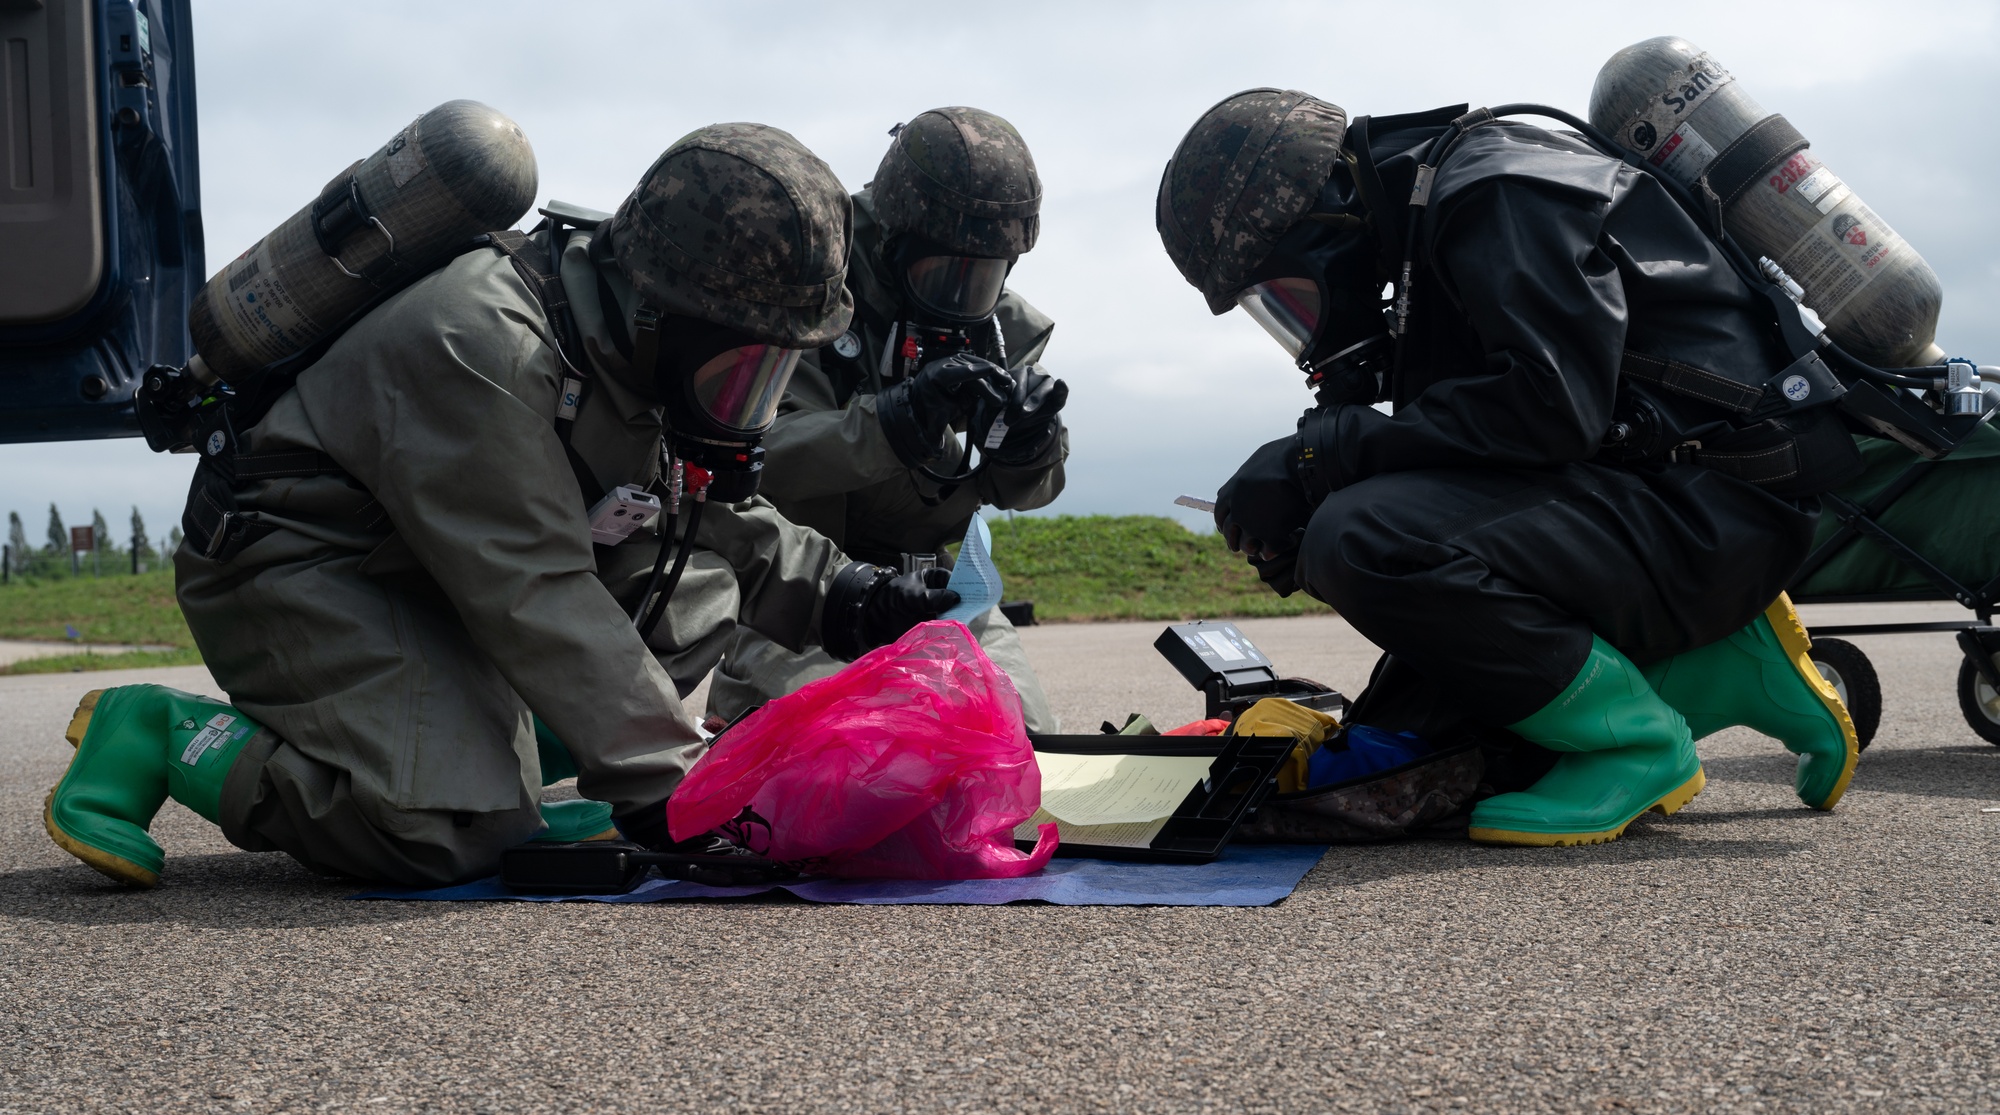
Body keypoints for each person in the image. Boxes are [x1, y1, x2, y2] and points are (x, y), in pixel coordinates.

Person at [44, 124, 958, 888]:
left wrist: (845, 590)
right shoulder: (480, 339)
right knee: (437, 828)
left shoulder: (622, 335)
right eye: (742, 368)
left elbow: (684, 502)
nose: (749, 402)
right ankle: (165, 732)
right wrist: (675, 788)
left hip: (438, 555)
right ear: (663, 312)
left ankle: (497, 771)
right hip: (300, 560)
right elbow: (536, 587)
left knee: (695, 601)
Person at [1156, 90, 1862, 846]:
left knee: (1360, 538)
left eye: (1286, 295)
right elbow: (1463, 457)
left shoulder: (1495, 193)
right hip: (1694, 500)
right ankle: (1726, 655)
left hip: (1714, 517)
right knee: (1409, 701)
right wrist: (1310, 489)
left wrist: (1320, 461)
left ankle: (1635, 743)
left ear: (1324, 227)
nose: (1301, 327)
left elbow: (1551, 405)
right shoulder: (1439, 211)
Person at [706, 107, 1069, 732]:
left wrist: (1028, 449)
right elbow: (756, 457)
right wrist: (898, 421)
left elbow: (1026, 491)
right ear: (895, 242)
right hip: (808, 591)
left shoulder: (1002, 329)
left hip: (937, 593)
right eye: (943, 273)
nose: (959, 297)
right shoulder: (805, 295)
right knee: (863, 755)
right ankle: (745, 714)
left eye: (980, 278)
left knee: (1025, 756)